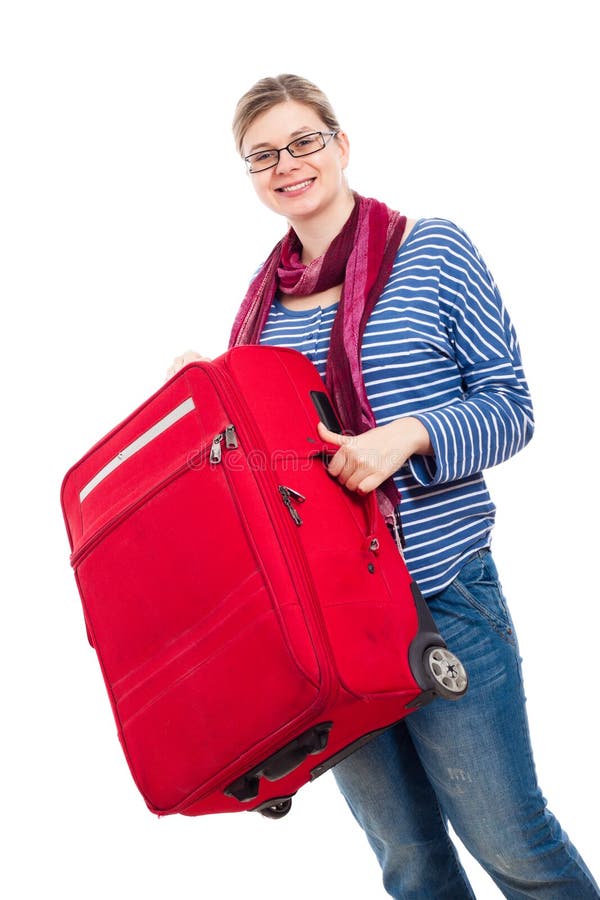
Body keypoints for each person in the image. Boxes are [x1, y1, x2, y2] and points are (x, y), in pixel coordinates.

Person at [168, 74, 599, 899]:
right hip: (331, 623)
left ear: (340, 143)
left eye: (303, 142)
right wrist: (207, 402)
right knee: (408, 861)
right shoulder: (258, 311)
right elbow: (268, 474)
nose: (286, 166)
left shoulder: (432, 249)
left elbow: (512, 407)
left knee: (514, 845)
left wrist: (410, 435)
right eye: (263, 156)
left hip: (442, 596)